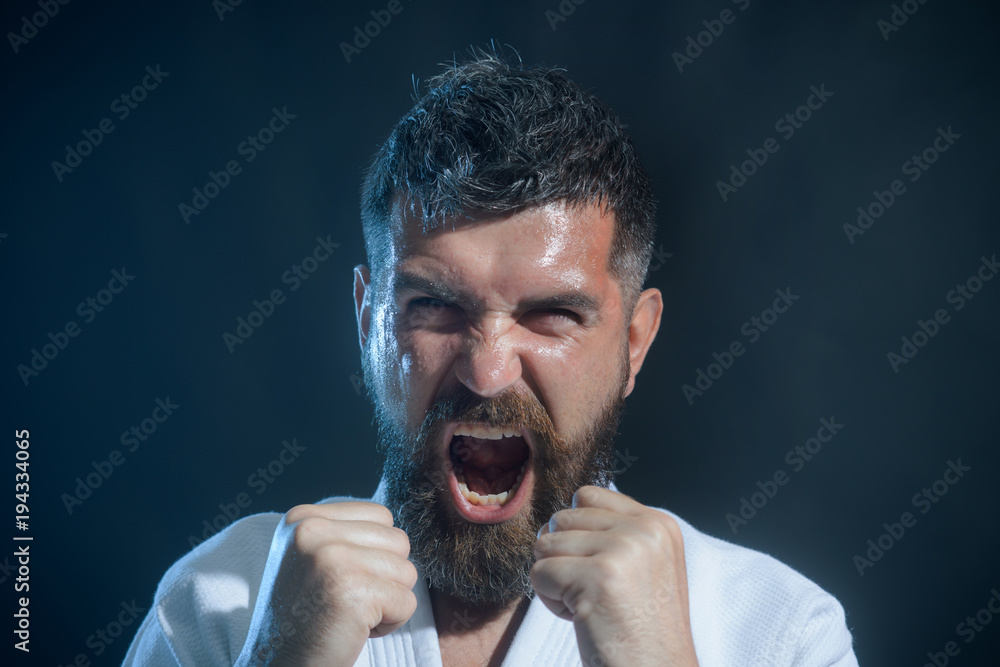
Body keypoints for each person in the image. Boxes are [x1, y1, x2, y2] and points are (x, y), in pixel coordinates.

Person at [123, 48, 859, 666]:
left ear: (635, 341)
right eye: (435, 306)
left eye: (552, 315)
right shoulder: (219, 603)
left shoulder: (778, 632)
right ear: (367, 320)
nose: (488, 369)